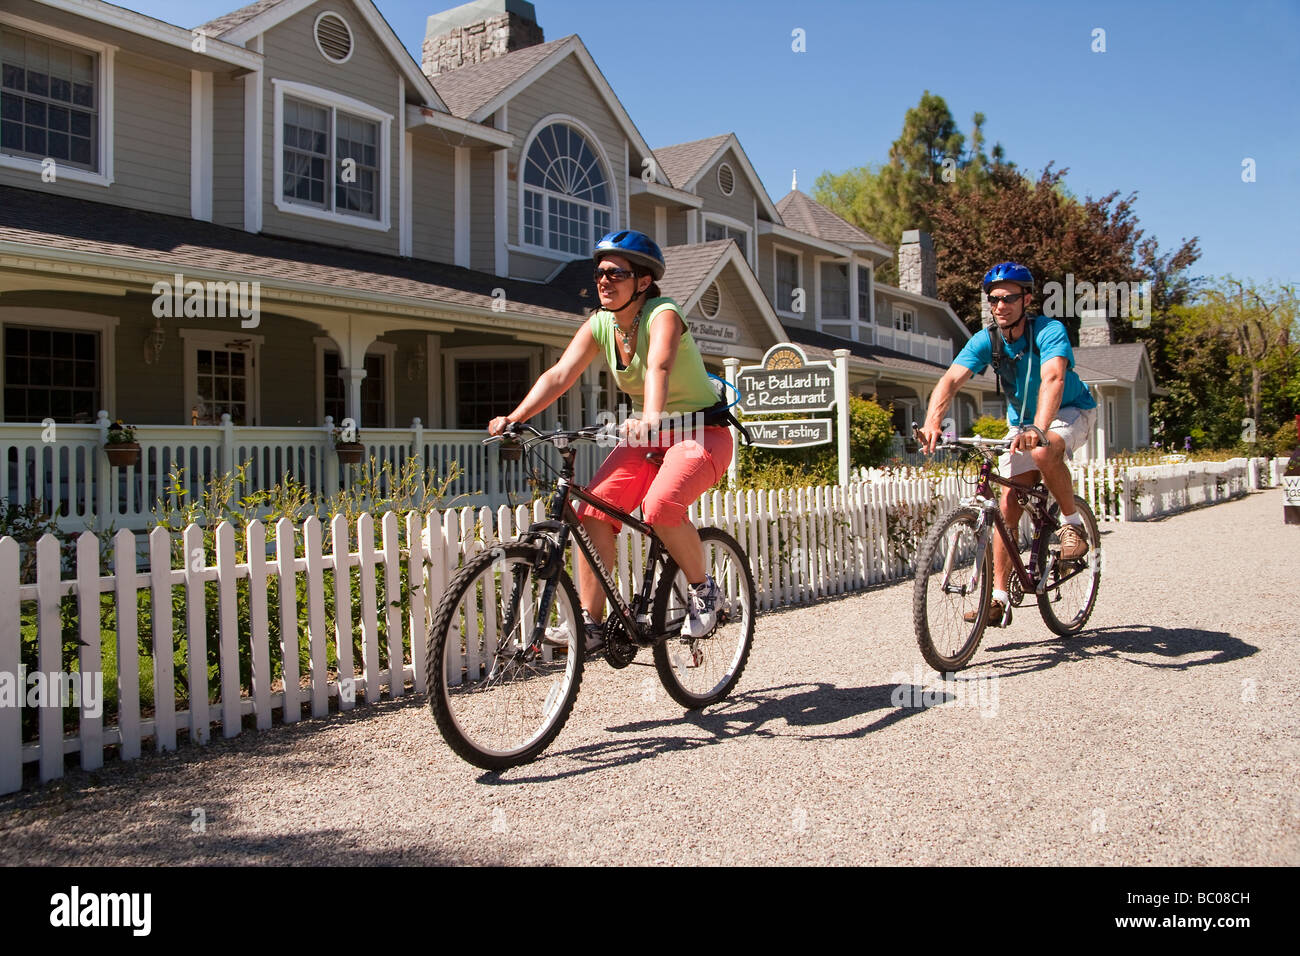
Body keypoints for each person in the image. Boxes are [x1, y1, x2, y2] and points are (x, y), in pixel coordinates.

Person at [487, 230, 734, 650]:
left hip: (701, 432)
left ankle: (705, 591)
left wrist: (651, 416)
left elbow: (658, 367)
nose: (604, 280)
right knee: (592, 514)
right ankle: (591, 623)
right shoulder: (601, 324)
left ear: (642, 282)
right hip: (650, 437)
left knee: (660, 508)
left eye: (616, 273)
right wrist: (515, 417)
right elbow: (561, 375)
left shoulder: (664, 314)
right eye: (600, 272)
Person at [918, 261, 1098, 627]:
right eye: (993, 299)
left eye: (1008, 298)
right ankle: (998, 598)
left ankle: (1071, 524)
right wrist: (933, 421)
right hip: (1021, 424)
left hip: (1069, 410)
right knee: (1007, 503)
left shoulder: (1049, 331)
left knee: (1044, 450)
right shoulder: (987, 339)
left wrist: (1039, 427)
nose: (1000, 306)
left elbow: (1053, 378)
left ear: (1026, 299)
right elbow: (951, 379)